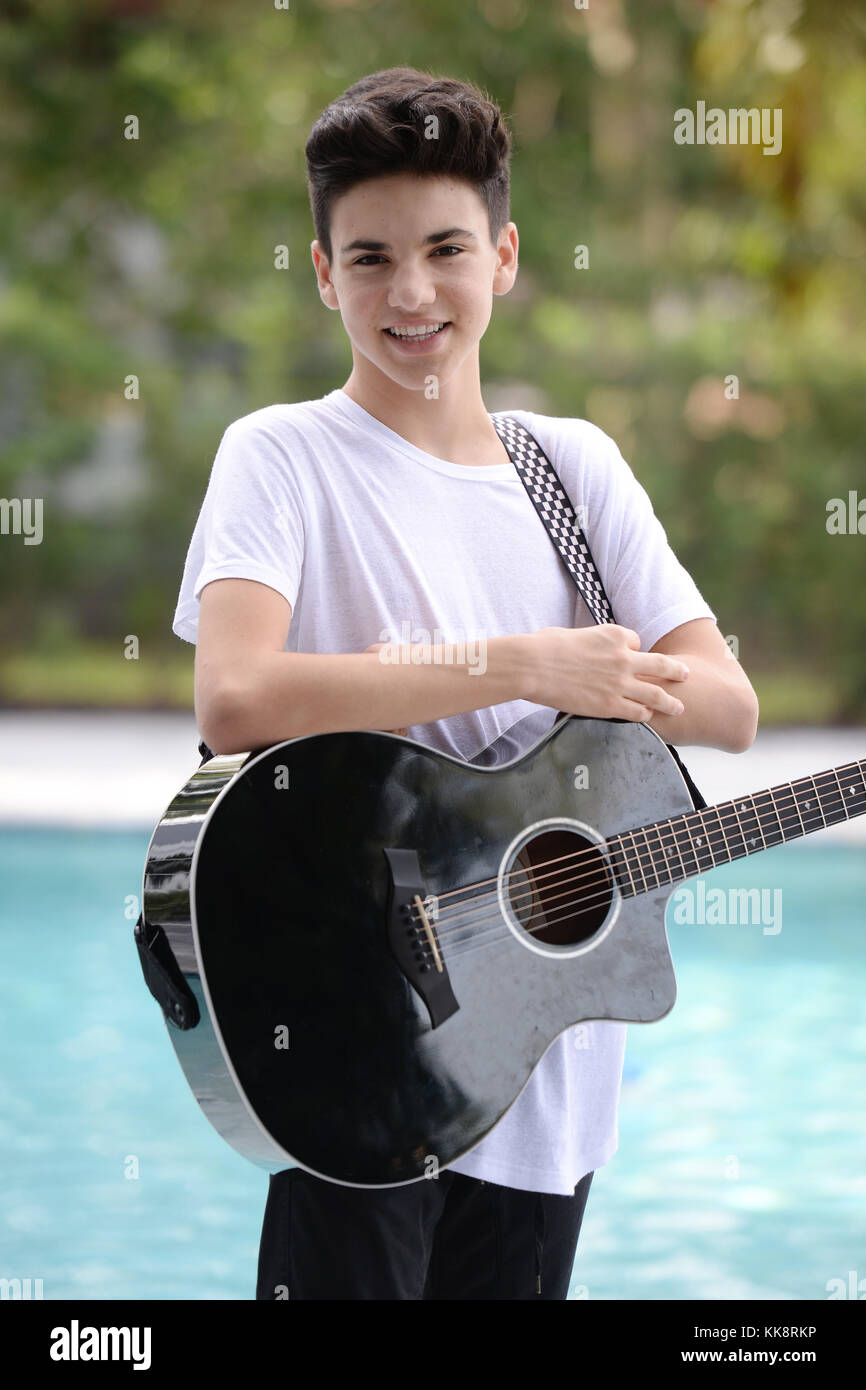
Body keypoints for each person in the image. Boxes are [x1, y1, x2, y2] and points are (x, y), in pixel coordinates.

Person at [171, 65, 759, 1300]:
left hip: (545, 1075)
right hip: (360, 1038)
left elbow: (726, 705)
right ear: (324, 274)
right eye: (371, 258)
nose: (413, 292)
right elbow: (233, 695)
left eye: (444, 249)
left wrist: (599, 693)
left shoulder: (570, 468)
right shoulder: (281, 458)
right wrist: (515, 663)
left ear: (501, 258)